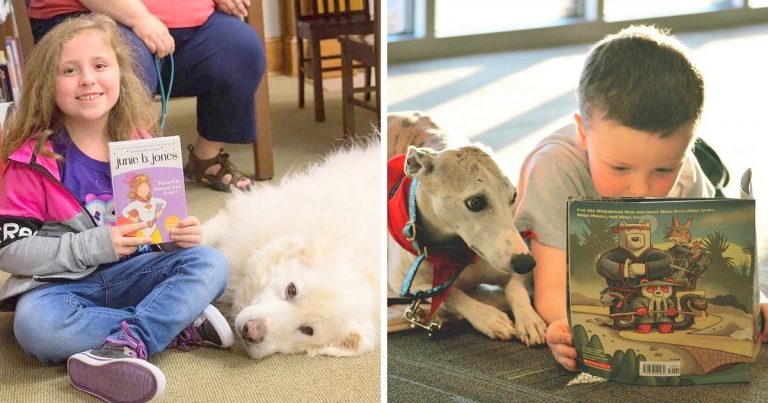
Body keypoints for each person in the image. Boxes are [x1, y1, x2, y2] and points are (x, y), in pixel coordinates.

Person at [0, 15, 233, 402]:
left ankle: (126, 342)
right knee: (35, 329)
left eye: (100, 66)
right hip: (59, 287)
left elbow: (154, 231)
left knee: (211, 263)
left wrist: (177, 239)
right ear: (47, 86)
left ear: (121, 76)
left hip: (132, 273)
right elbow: (10, 252)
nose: (88, 79)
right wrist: (95, 245)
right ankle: (168, 324)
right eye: (69, 70)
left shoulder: (140, 142)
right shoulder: (31, 160)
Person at [511, 25, 718, 371]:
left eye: (664, 170)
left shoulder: (686, 168)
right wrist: (564, 326)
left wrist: (753, 302)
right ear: (582, 132)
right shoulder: (553, 168)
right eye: (620, 168)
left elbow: (707, 262)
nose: (641, 189)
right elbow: (548, 286)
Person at [28, 0, 266, 192]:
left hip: (191, 23)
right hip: (95, 14)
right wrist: (139, 17)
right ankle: (114, 177)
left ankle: (206, 159)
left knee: (241, 49)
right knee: (123, 64)